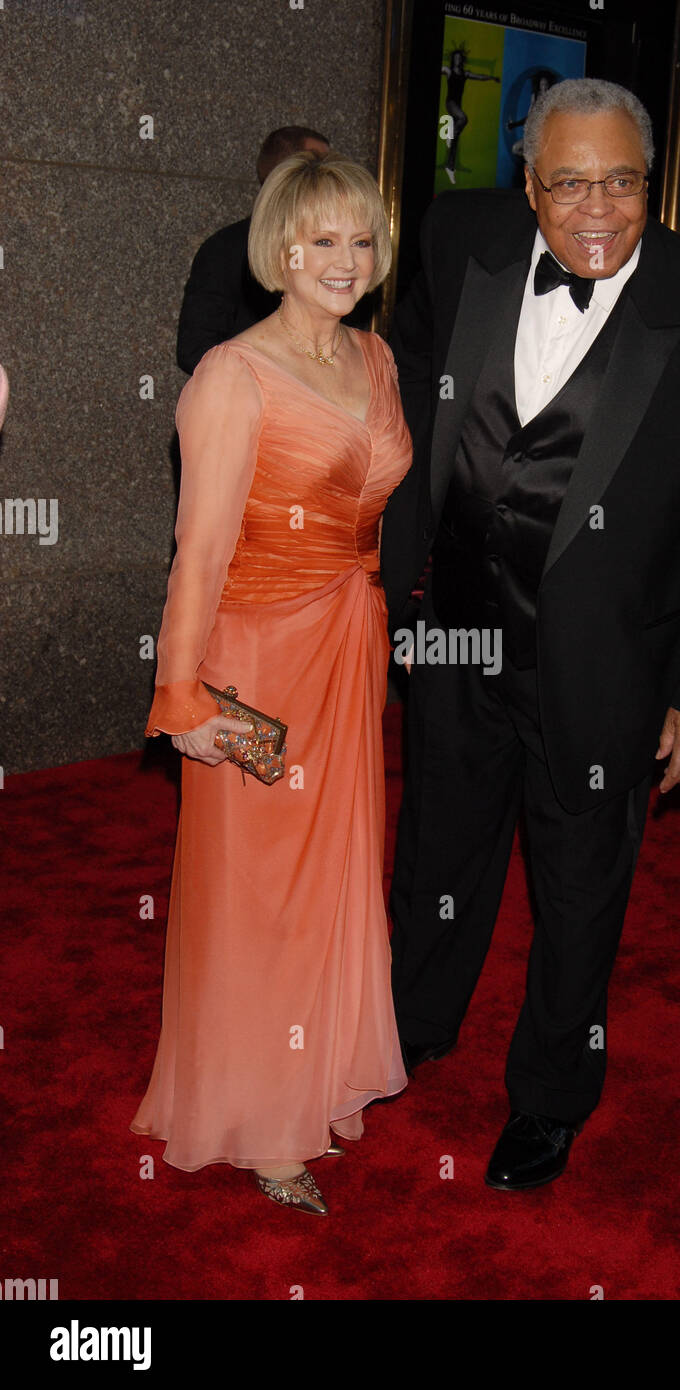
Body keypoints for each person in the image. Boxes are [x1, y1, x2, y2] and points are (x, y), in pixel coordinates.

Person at [381, 77, 680, 1191]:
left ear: (650, 183)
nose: (595, 207)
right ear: (528, 181)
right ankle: (412, 1024)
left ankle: (551, 1097)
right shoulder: (459, 239)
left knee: (576, 890)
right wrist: (395, 585)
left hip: (606, 664)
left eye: (621, 181)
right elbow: (409, 384)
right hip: (457, 630)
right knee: (436, 850)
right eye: (568, 181)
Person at [132, 151, 412, 1213]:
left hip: (348, 646)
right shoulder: (231, 377)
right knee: (253, 900)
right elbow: (195, 553)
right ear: (279, 250)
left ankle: (310, 1076)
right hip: (256, 657)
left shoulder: (376, 360)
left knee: (333, 880)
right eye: (323, 241)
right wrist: (184, 698)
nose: (346, 261)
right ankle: (257, 1118)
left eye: (363, 240)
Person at [176, 126, 330, 374]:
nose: (331, 176)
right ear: (284, 173)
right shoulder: (227, 248)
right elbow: (194, 349)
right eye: (319, 164)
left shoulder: (334, 253)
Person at [441, 46, 501, 184]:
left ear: (461, 60)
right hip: (450, 104)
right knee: (463, 118)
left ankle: (450, 167)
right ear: (453, 60)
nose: (457, 60)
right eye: (455, 58)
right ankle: (449, 135)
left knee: (455, 141)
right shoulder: (448, 71)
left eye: (459, 58)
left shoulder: (464, 73)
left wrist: (491, 77)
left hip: (458, 106)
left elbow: (479, 77)